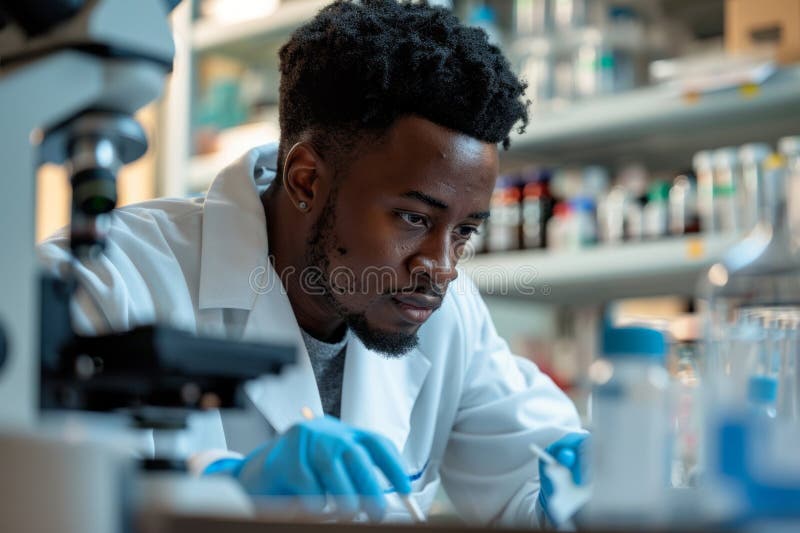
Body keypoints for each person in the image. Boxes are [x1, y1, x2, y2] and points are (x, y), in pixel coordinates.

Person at [39, 0, 587, 527]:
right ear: (306, 179)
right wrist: (224, 492)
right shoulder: (104, 279)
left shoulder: (444, 314)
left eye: (465, 230)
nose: (441, 268)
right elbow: (40, 497)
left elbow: (532, 484)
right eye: (414, 219)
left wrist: (591, 480)